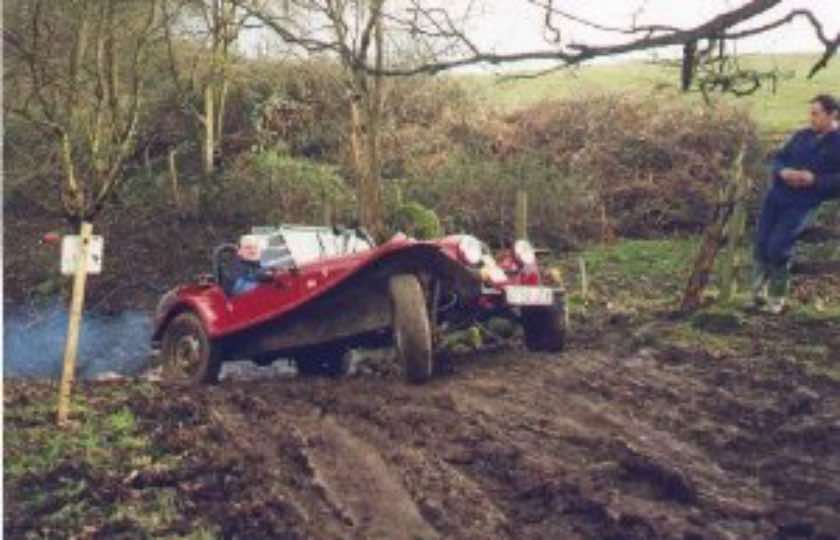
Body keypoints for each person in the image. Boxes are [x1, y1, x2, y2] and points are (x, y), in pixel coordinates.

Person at [753, 94, 840, 313]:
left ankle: (777, 297)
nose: (811, 118)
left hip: (804, 201)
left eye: (816, 114)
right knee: (761, 241)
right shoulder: (802, 136)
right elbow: (779, 158)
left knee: (778, 245)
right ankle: (757, 293)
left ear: (833, 115)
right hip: (777, 195)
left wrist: (815, 180)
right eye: (810, 113)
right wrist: (783, 171)